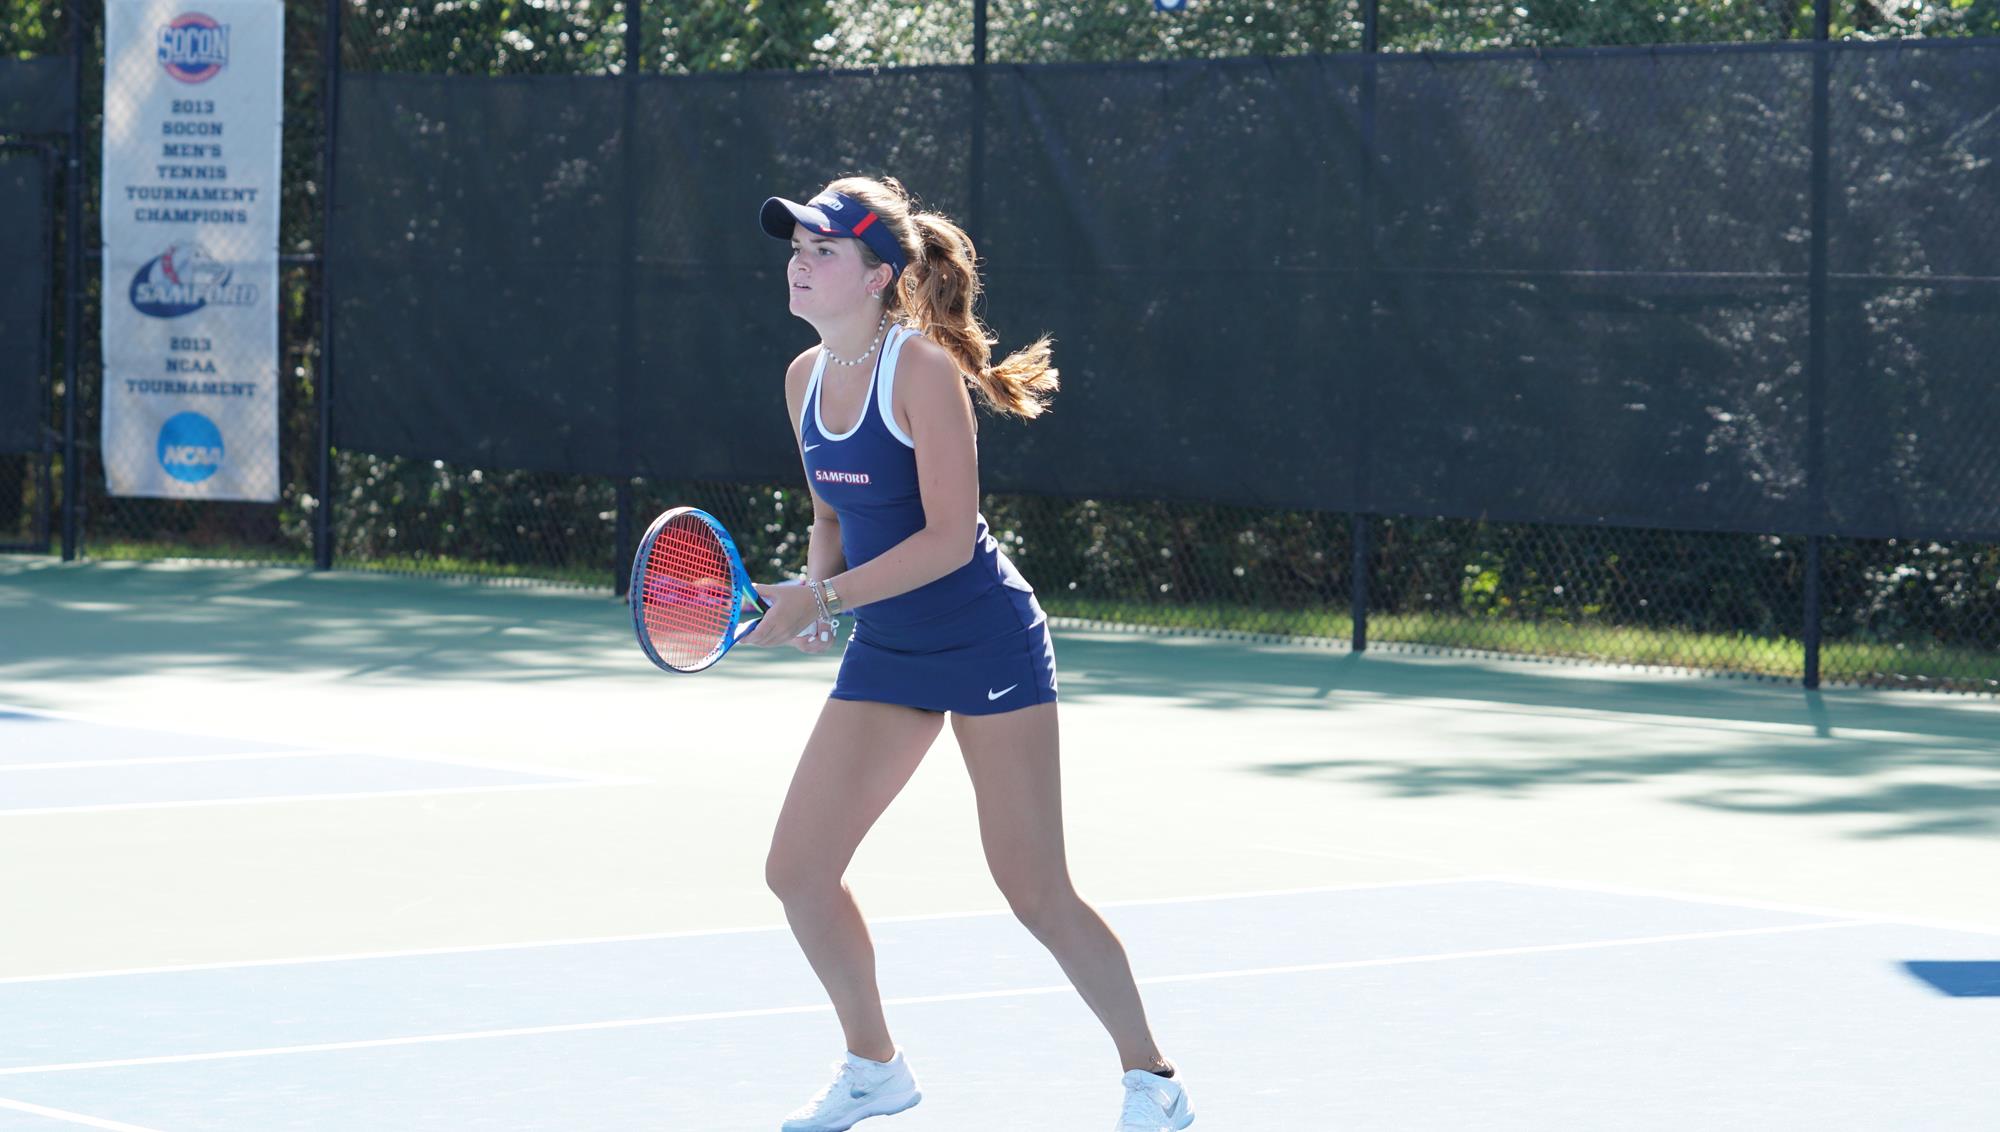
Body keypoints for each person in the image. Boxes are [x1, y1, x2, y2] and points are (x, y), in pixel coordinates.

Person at [741, 176, 1195, 1132]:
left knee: (1033, 888)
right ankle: (875, 1070)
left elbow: (948, 539)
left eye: (823, 250)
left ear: (876, 277)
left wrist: (821, 598)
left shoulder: (921, 373)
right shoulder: (802, 379)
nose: (800, 262)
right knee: (797, 870)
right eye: (797, 247)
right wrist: (816, 594)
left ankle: (1152, 1079)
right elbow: (832, 512)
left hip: (984, 637)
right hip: (892, 648)